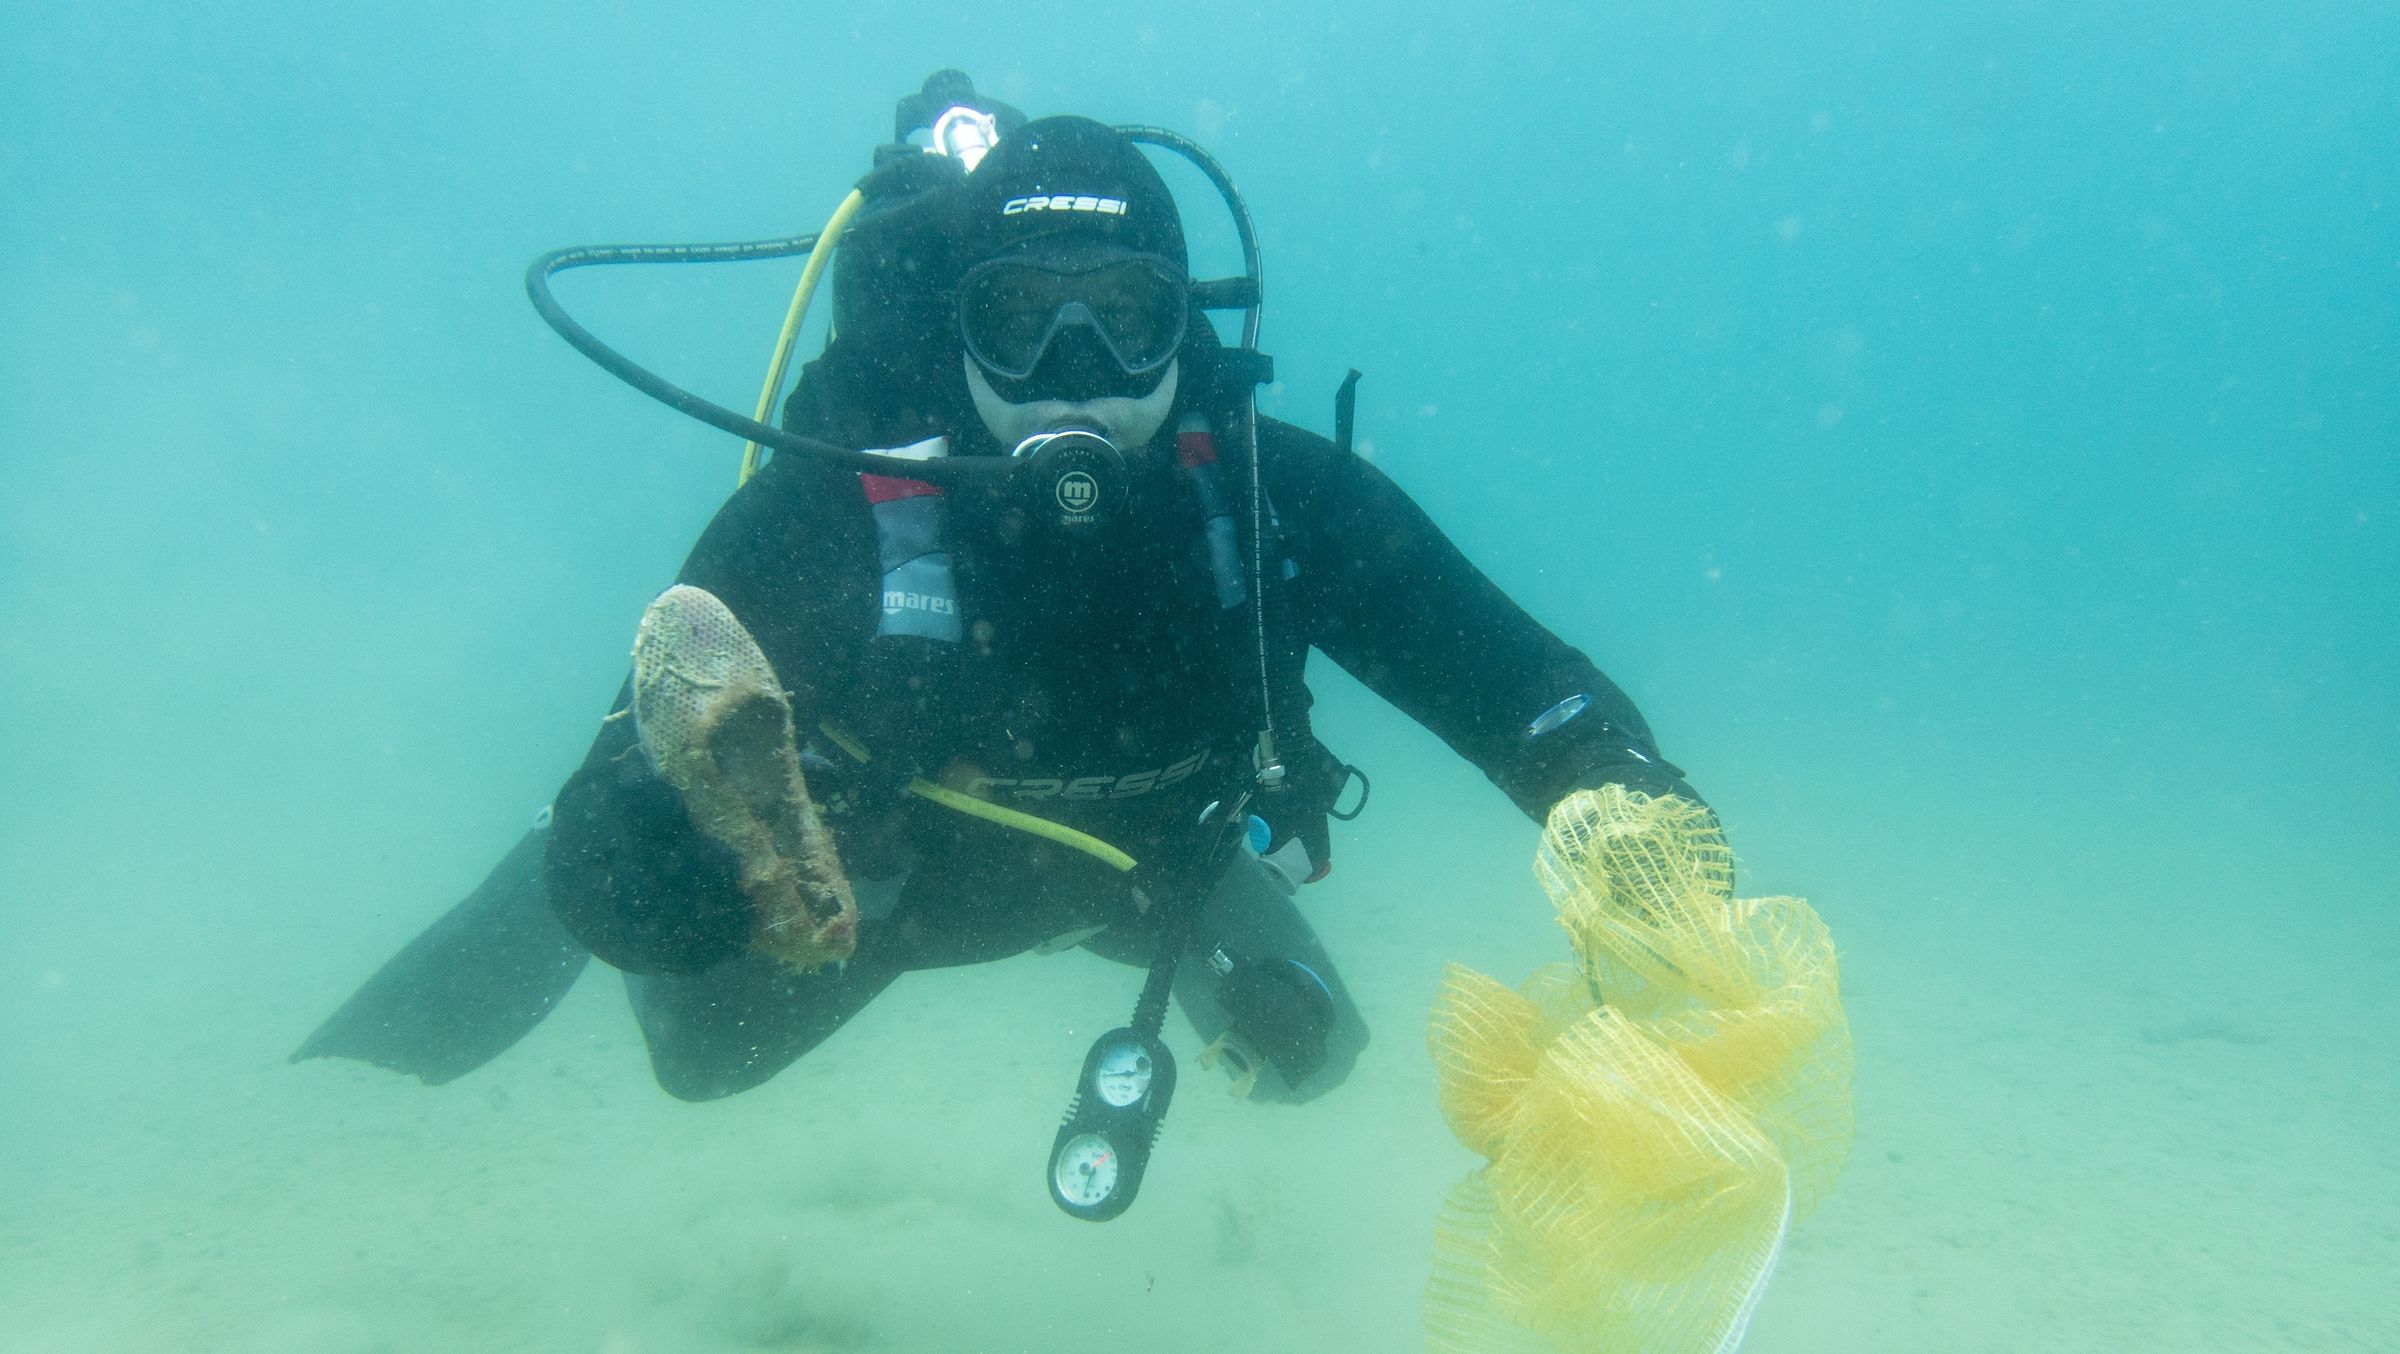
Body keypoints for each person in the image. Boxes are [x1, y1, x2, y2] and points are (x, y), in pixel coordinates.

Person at [294, 77, 1702, 1123]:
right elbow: (629, 781)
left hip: (1143, 868)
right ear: (957, 332)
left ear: (1187, 327)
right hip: (892, 891)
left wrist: (1628, 801)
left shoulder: (1271, 491)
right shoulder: (826, 509)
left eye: (1128, 318)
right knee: (697, 1055)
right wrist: (647, 850)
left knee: (1312, 1054)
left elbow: (1521, 685)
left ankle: (1117, 920)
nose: (1076, 364)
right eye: (1023, 321)